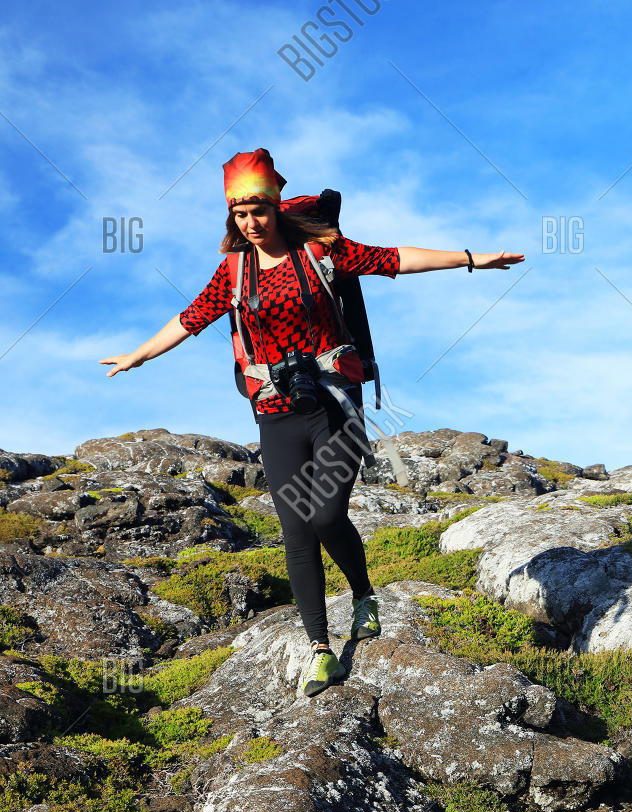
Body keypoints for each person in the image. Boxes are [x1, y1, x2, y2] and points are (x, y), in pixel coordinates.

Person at [101, 147, 524, 695]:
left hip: (334, 408)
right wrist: (139, 353)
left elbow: (395, 258)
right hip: (275, 415)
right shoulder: (233, 272)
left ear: (276, 208)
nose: (250, 224)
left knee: (325, 515)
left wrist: (470, 258)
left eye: (258, 211)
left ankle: (364, 595)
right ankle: (320, 649)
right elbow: (189, 319)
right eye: (240, 215)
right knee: (295, 534)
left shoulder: (321, 253)